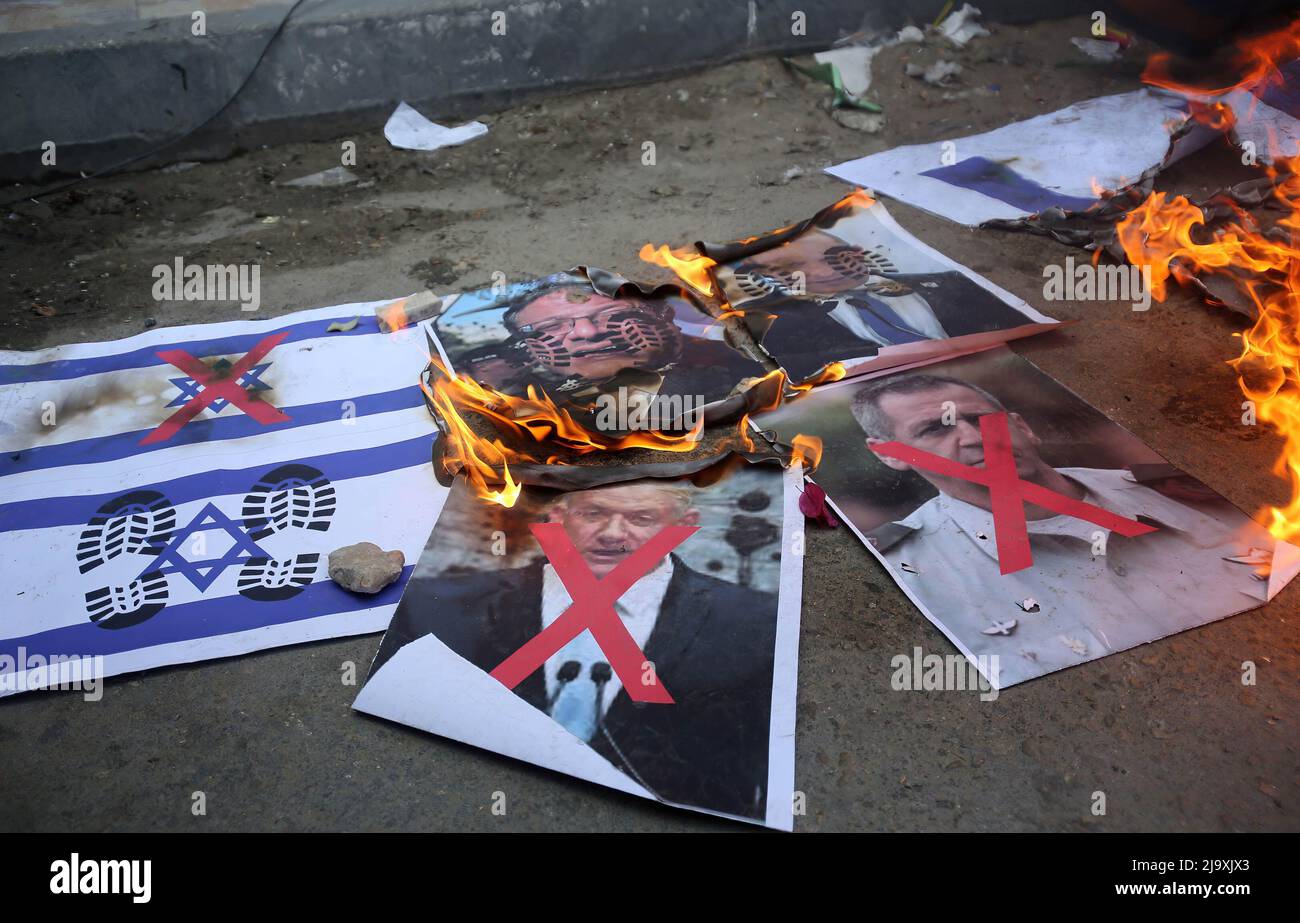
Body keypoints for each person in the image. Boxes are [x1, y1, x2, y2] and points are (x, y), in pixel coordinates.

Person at [370, 480, 780, 819]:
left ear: (685, 524)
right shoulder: (436, 609)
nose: (613, 534)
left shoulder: (757, 622)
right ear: (558, 518)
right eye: (594, 513)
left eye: (641, 518)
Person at [850, 373, 1276, 685]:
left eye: (981, 419)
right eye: (933, 430)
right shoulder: (908, 571)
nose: (973, 438)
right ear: (889, 454)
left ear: (1022, 426)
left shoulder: (1178, 490)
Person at [723, 229, 1033, 380]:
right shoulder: (769, 326)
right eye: (787, 270)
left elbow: (1014, 327)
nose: (819, 273)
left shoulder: (953, 284)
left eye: (829, 259)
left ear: (856, 255)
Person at [499, 285, 757, 409]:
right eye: (553, 327)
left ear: (663, 314)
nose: (587, 332)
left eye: (609, 315)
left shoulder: (748, 365)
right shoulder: (524, 408)